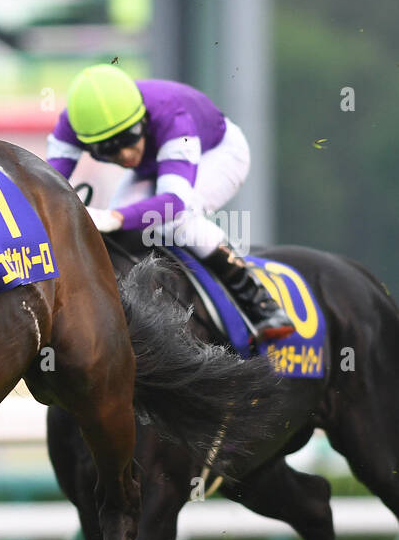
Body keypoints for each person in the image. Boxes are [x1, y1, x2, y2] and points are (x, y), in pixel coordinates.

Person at [46, 63, 293, 342]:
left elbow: (173, 203)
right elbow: (46, 183)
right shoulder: (70, 125)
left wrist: (113, 216)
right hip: (153, 164)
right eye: (108, 149)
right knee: (119, 232)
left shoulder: (173, 116)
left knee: (175, 222)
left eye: (128, 138)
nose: (125, 154)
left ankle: (260, 304)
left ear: (142, 120)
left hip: (218, 153)